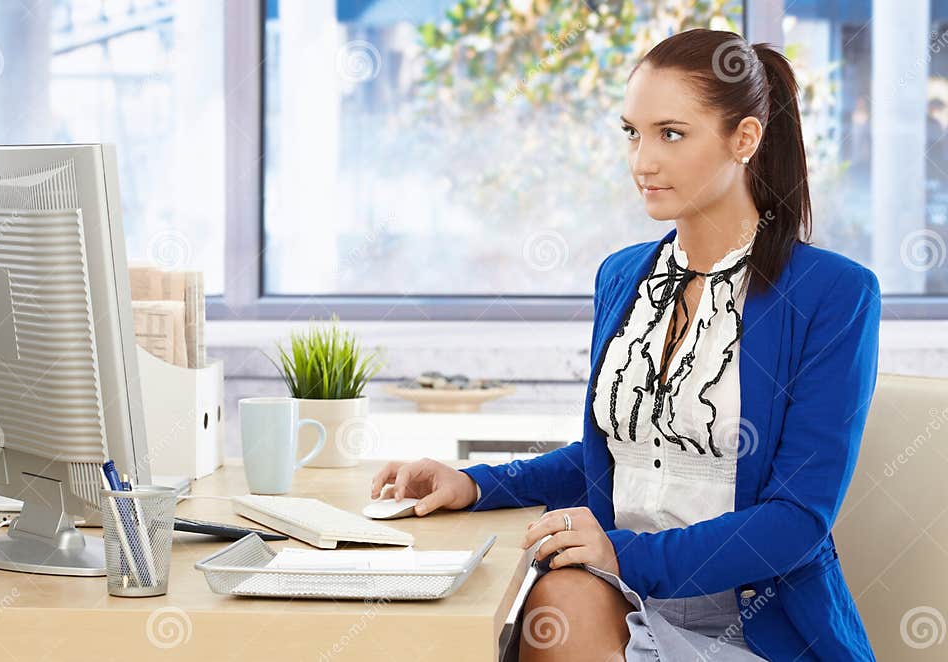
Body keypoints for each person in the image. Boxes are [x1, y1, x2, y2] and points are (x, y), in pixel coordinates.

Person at [370, 28, 880, 662]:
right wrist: (473, 485)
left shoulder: (834, 293)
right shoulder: (623, 276)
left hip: (758, 625)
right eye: (631, 133)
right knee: (553, 601)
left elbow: (798, 520)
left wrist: (627, 552)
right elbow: (609, 457)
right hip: (625, 598)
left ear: (744, 139)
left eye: (671, 134)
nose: (643, 161)